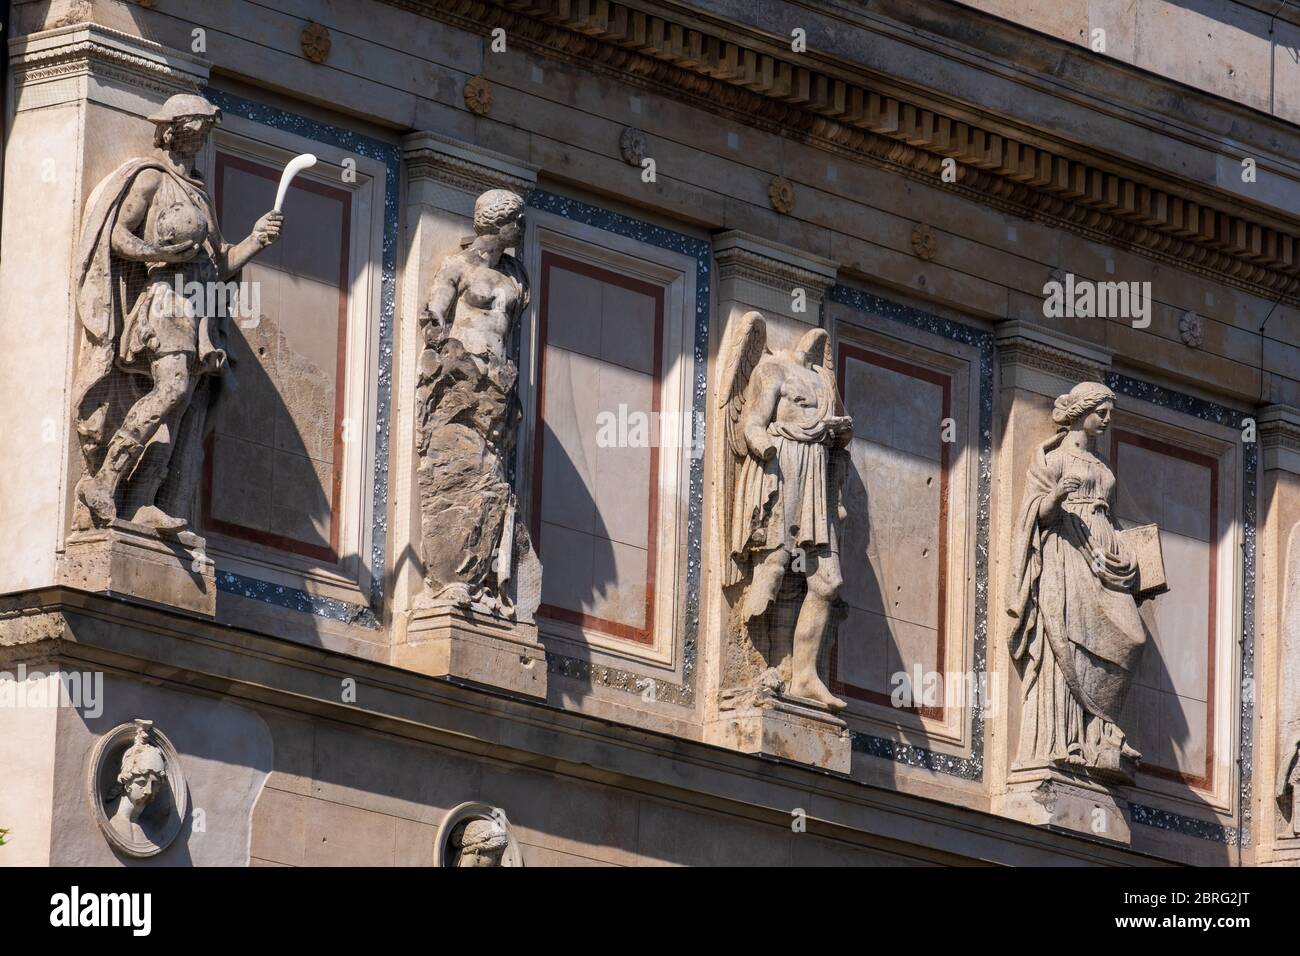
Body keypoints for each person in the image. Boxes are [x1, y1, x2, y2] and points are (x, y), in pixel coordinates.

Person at [71, 93, 283, 533]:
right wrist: (158, 253)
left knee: (181, 403)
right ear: (171, 132)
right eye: (190, 130)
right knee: (173, 389)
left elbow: (216, 265)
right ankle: (105, 481)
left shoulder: (200, 193)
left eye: (202, 131)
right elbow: (117, 236)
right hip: (164, 301)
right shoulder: (152, 178)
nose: (196, 138)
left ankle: (142, 499)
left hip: (196, 308)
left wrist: (256, 240)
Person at [1006, 381, 1147, 772]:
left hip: (1104, 555)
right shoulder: (1052, 459)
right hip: (1066, 550)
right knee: (1068, 637)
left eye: (1108, 413)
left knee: (1132, 639)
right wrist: (1056, 496)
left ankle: (1103, 730)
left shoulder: (1102, 467)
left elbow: (1109, 516)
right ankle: (1070, 739)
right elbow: (1036, 514)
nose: (1106, 419)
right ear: (1082, 412)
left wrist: (1127, 549)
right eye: (1100, 412)